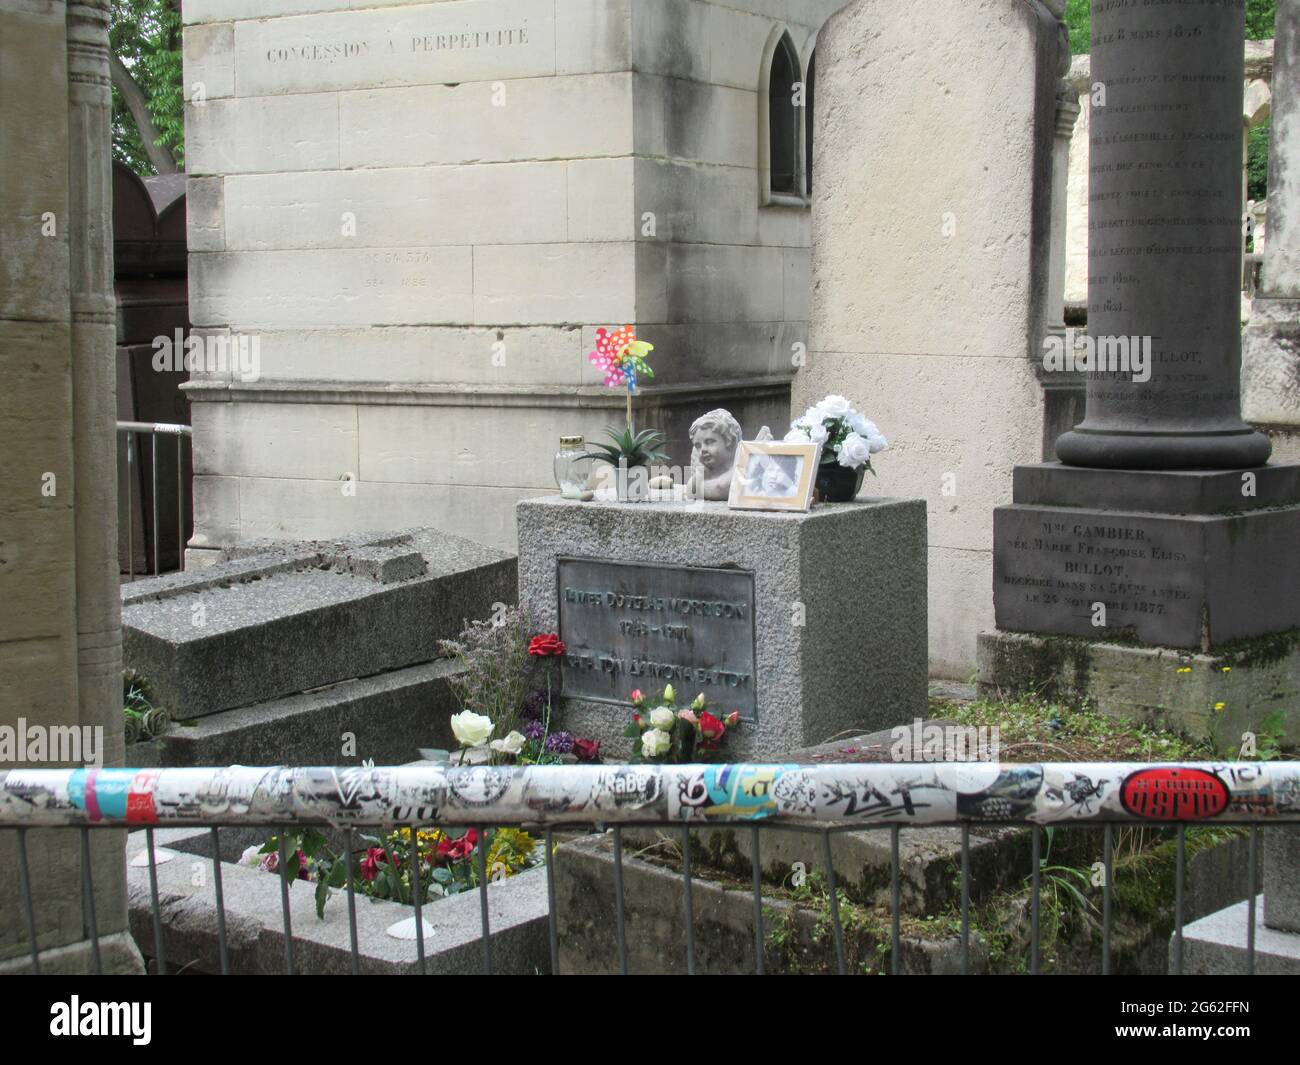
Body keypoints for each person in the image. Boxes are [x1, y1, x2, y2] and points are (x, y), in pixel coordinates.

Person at [685, 409, 742, 501]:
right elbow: (691, 489)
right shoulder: (706, 469)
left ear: (730, 441)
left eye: (709, 442)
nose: (702, 450)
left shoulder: (743, 467)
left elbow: (721, 488)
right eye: (698, 446)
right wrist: (701, 472)